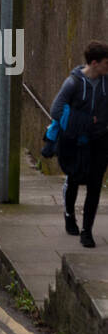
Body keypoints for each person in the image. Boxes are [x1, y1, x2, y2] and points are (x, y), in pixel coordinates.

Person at [50, 40, 108, 247]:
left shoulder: (106, 82)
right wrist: (84, 121)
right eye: (106, 64)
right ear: (94, 63)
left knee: (94, 184)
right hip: (76, 142)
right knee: (74, 180)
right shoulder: (73, 83)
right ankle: (69, 214)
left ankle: (87, 231)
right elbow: (56, 111)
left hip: (100, 140)